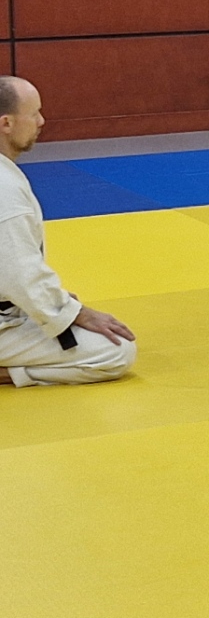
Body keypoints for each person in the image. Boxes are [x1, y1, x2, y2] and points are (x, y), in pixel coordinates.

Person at [0, 76, 137, 387]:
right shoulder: (3, 188)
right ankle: (10, 373)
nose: (41, 121)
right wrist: (73, 313)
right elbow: (19, 273)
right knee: (115, 351)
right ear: (6, 123)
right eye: (33, 114)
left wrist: (53, 304)